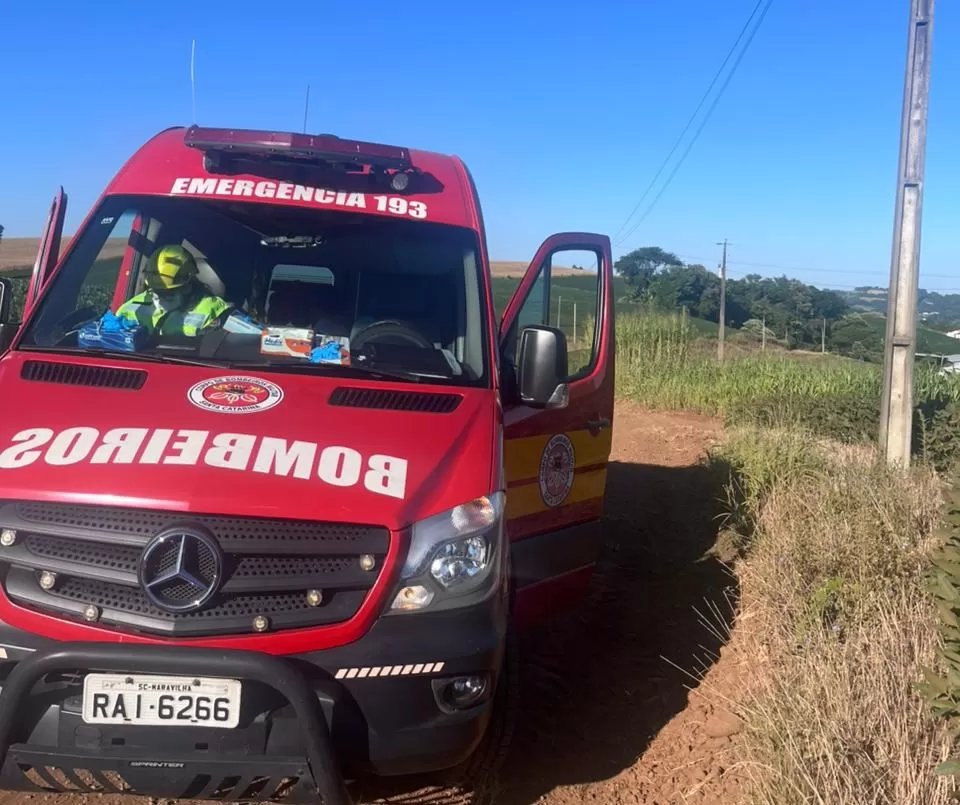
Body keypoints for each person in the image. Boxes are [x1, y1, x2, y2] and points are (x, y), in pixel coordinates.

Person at [116, 245, 231, 336]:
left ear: (187, 287)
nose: (159, 300)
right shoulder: (132, 307)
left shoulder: (213, 311)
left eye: (168, 294)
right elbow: (109, 339)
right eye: (155, 291)